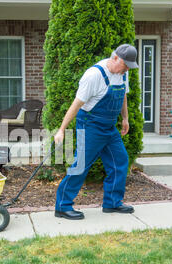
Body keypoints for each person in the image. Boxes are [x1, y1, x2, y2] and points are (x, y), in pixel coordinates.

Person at [54, 44, 139, 220]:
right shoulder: (94, 76)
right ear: (115, 58)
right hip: (90, 125)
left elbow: (123, 95)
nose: (126, 70)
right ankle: (62, 206)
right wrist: (61, 130)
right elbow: (76, 104)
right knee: (80, 165)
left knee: (120, 160)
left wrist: (125, 118)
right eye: (125, 66)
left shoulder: (123, 73)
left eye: (129, 67)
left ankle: (112, 203)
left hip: (109, 126)